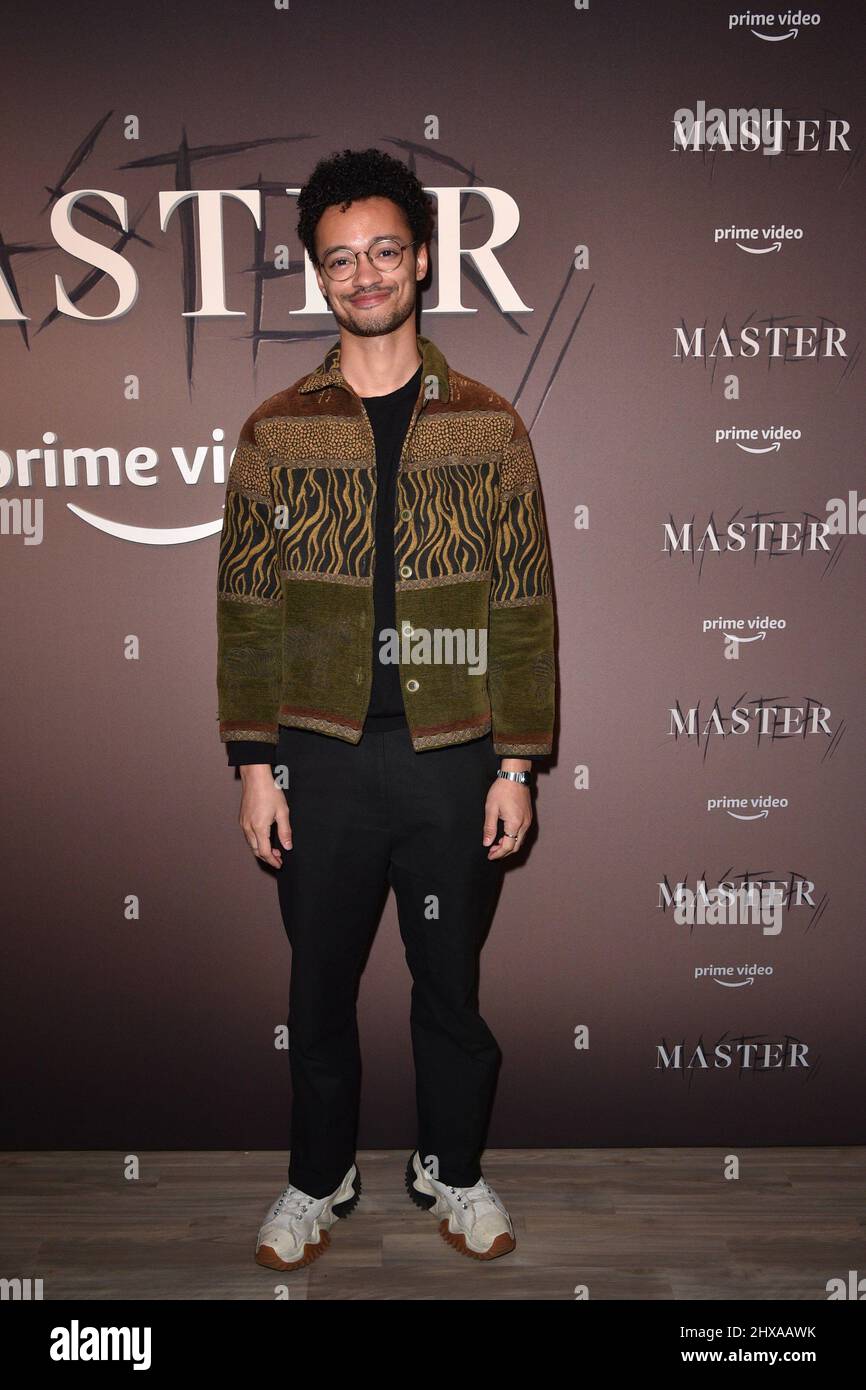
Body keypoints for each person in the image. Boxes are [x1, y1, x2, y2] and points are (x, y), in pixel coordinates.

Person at [215, 147, 556, 1270]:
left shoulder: (489, 424)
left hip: (451, 758)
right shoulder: (274, 429)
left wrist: (515, 764)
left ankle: (449, 1172)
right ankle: (318, 1181)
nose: (363, 275)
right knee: (316, 991)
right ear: (320, 276)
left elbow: (519, 600)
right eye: (338, 259)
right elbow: (246, 606)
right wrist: (255, 764)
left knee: (447, 989)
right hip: (320, 755)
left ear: (420, 261)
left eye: (383, 252)